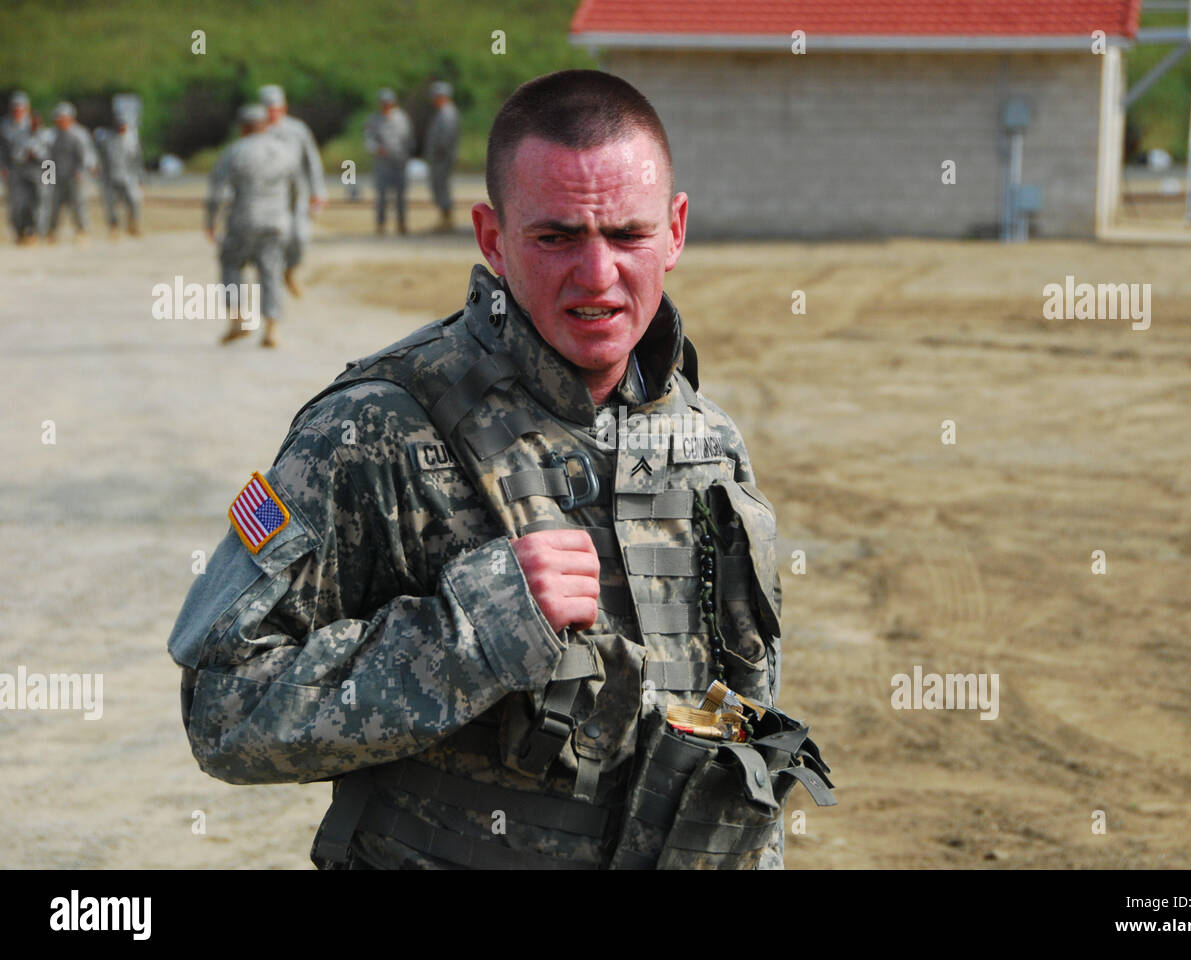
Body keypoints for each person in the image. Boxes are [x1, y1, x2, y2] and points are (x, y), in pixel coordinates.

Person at [167, 70, 832, 870]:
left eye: (627, 235)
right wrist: (469, 636)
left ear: (676, 230)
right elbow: (224, 713)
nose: (596, 276)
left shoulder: (705, 439)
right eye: (555, 237)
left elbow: (736, 727)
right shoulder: (369, 430)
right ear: (492, 237)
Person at [204, 103, 298, 348]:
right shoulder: (285, 151)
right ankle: (271, 329)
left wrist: (211, 221)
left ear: (243, 127)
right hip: (277, 221)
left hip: (244, 218)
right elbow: (296, 188)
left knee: (232, 264)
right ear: (265, 125)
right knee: (271, 270)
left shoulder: (234, 152)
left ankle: (238, 320)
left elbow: (218, 192)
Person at [259, 85, 326, 297]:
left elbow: (312, 161)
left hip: (297, 192)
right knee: (273, 239)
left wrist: (318, 191)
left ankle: (290, 271)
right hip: (268, 195)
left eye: (276, 108)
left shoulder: (297, 130)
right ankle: (271, 285)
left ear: (284, 108)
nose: (272, 113)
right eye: (268, 109)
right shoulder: (256, 130)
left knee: (300, 236)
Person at [42, 102, 98, 243]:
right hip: (55, 175)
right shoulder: (51, 135)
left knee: (78, 204)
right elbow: (47, 156)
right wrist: (47, 177)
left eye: (63, 118)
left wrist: (81, 171)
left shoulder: (79, 134)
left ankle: (82, 231)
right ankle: (51, 231)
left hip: (75, 175)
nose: (60, 121)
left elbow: (86, 156)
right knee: (53, 204)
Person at [363, 88, 413, 235]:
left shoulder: (402, 118)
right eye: (383, 103)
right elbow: (368, 139)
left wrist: (405, 155)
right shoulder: (373, 120)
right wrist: (376, 148)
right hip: (382, 163)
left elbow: (409, 140)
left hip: (399, 163)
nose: (386, 105)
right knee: (381, 195)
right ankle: (381, 224)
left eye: (388, 102)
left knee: (401, 195)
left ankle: (402, 224)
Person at [1, 91, 44, 245]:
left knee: (35, 201)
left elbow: (44, 148)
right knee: (16, 203)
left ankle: (32, 231)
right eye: (15, 108)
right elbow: (3, 149)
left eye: (21, 108)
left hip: (33, 167)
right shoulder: (5, 126)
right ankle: (19, 232)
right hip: (14, 168)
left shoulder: (35, 124)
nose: (18, 111)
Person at [97, 108, 144, 237]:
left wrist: (140, 178)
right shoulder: (106, 140)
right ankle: (114, 227)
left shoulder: (132, 140)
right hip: (110, 176)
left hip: (129, 176)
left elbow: (137, 160)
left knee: (134, 200)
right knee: (111, 204)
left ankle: (133, 224)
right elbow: (101, 158)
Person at [423, 80, 458, 232]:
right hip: (439, 157)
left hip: (442, 158)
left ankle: (447, 220)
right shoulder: (443, 112)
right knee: (439, 186)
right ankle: (444, 218)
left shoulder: (447, 113)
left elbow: (446, 138)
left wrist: (438, 153)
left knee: (442, 187)